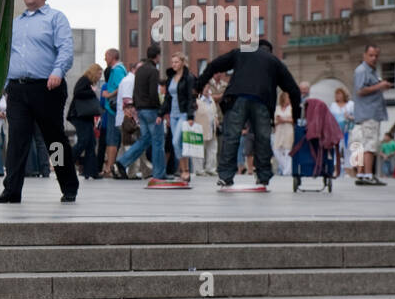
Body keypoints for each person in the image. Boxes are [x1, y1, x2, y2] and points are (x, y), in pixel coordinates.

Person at [0, 0, 77, 203]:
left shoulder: (55, 18)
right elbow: (8, 56)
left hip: (47, 87)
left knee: (54, 140)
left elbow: (66, 49)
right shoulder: (16, 23)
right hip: (18, 90)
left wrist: (58, 71)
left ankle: (68, 186)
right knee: (17, 139)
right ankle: (11, 191)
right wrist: (4, 85)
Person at [194, 39, 302, 189]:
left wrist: (199, 86)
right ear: (269, 51)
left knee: (231, 137)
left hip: (238, 98)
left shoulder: (242, 52)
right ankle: (263, 177)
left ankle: (225, 176)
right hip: (262, 101)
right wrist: (296, 116)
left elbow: (213, 65)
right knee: (262, 140)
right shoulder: (274, 62)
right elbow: (294, 90)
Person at [114, 46, 167, 181]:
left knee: (145, 139)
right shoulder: (153, 71)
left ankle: (122, 161)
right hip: (151, 110)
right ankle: (159, 173)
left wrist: (137, 107)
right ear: (157, 56)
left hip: (140, 110)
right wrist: (160, 110)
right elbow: (153, 93)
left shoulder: (140, 70)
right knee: (157, 141)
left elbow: (135, 92)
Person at [352, 43, 392, 186]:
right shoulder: (362, 70)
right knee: (370, 144)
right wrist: (380, 86)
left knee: (365, 144)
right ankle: (368, 175)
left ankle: (362, 174)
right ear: (364, 55)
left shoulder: (372, 71)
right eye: (371, 55)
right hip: (368, 113)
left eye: (376, 55)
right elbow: (360, 90)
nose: (374, 58)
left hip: (372, 111)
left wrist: (381, 86)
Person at [67, 62, 102, 180]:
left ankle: (91, 171)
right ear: (94, 72)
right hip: (79, 116)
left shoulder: (88, 82)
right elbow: (77, 93)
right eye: (98, 73)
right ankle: (65, 165)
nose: (99, 76)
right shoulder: (84, 80)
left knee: (91, 143)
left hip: (85, 117)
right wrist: (92, 91)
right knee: (84, 141)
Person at [163, 52, 194, 180]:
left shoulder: (189, 77)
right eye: (172, 62)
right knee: (178, 143)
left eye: (176, 62)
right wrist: (161, 114)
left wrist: (191, 116)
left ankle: (185, 170)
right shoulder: (171, 78)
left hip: (183, 114)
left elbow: (191, 97)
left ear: (182, 63)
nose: (173, 64)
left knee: (176, 141)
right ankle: (183, 171)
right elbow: (167, 98)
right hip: (173, 114)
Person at [98, 49, 126, 177]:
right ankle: (109, 167)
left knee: (112, 140)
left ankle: (109, 168)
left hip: (113, 109)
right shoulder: (117, 69)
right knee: (111, 139)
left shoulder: (118, 70)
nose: (105, 59)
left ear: (112, 57)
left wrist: (109, 94)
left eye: (106, 56)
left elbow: (121, 86)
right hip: (112, 109)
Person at [272, 91, 294, 177]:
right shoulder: (277, 108)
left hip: (288, 130)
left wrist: (284, 120)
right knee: (276, 150)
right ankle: (287, 168)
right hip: (279, 130)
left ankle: (287, 171)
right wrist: (279, 121)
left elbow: (293, 120)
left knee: (288, 150)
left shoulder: (291, 108)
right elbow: (275, 120)